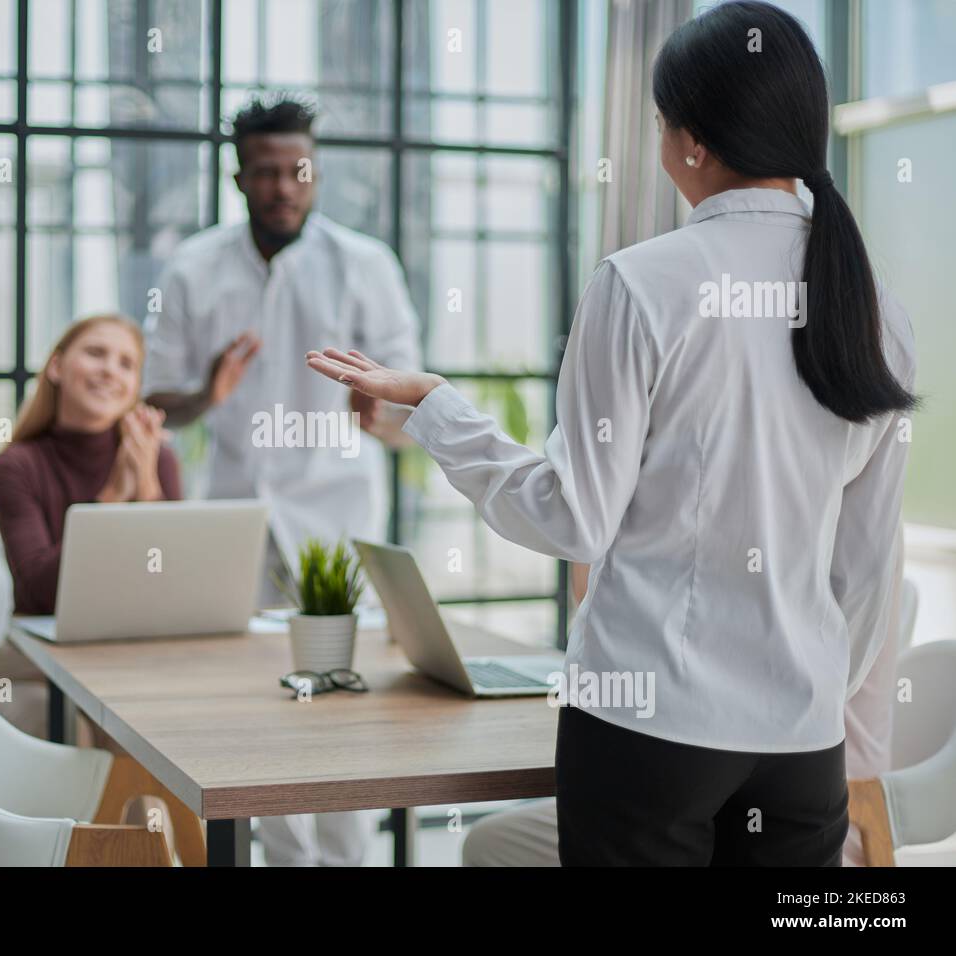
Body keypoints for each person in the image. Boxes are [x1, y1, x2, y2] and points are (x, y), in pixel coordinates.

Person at [308, 1, 915, 866]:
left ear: (692, 143)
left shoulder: (639, 283)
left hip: (649, 729)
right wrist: (808, 685)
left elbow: (573, 521)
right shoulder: (877, 307)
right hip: (800, 746)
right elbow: (867, 563)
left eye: (665, 126)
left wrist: (438, 407)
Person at [143, 95, 422, 866]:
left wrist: (378, 407)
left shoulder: (366, 265)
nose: (283, 186)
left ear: (316, 172)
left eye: (298, 170)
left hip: (338, 522)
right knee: (260, 719)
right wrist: (210, 392)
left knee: (342, 714)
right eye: (265, 171)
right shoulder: (193, 266)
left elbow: (408, 409)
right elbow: (160, 401)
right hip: (236, 523)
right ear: (239, 176)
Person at [460, 551, 910, 867]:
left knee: (495, 843)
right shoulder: (822, 526)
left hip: (835, 803)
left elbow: (598, 595)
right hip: (809, 773)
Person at [0, 314, 181, 616]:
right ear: (56, 367)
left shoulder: (159, 459)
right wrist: (112, 497)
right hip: (45, 650)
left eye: (126, 364)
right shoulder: (17, 466)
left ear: (135, 388)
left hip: (140, 636)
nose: (109, 371)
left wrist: (146, 487)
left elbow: (175, 583)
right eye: (95, 353)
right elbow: (39, 595)